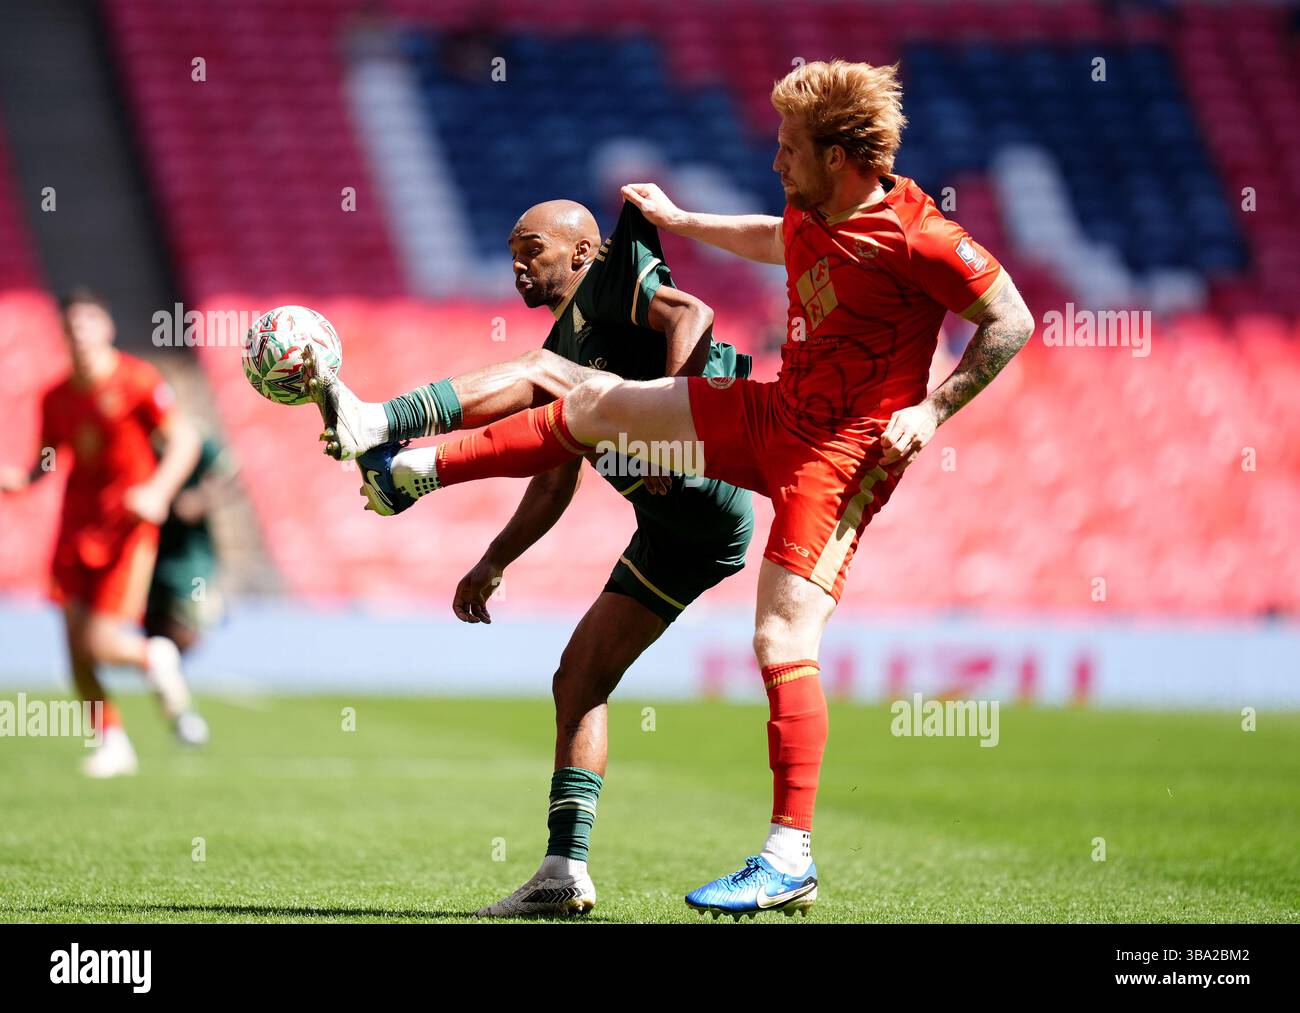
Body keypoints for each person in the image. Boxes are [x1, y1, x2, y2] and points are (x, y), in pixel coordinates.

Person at [310, 60, 1036, 918]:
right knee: (589, 404)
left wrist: (936, 408)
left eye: (790, 148)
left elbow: (1011, 318)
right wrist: (683, 218)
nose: (776, 161)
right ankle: (407, 470)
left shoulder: (918, 233)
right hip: (773, 411)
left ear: (840, 157)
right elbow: (778, 237)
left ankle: (788, 854)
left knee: (778, 636)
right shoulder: (812, 210)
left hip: (841, 453)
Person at [307, 199, 754, 916]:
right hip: (678, 532)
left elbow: (693, 313)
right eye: (512, 248)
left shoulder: (615, 277)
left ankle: (386, 432)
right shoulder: (568, 347)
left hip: (708, 470)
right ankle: (562, 869)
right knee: (578, 678)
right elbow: (553, 476)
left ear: (582, 252)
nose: (519, 260)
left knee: (542, 372)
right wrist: (494, 559)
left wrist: (672, 417)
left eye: (534, 247)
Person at [0, 289, 210, 778]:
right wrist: (22, 479)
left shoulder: (138, 381)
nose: (80, 338)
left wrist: (158, 492)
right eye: (71, 330)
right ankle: (112, 741)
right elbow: (48, 458)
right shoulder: (56, 397)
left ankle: (153, 654)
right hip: (75, 530)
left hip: (125, 529)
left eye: (87, 327)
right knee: (75, 649)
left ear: (106, 330)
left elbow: (185, 440)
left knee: (99, 641)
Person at [144, 433, 237, 654]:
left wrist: (200, 499)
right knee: (155, 626)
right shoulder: (137, 435)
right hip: (151, 550)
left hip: (187, 555)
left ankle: (206, 615)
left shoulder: (191, 437)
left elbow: (229, 470)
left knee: (184, 622)